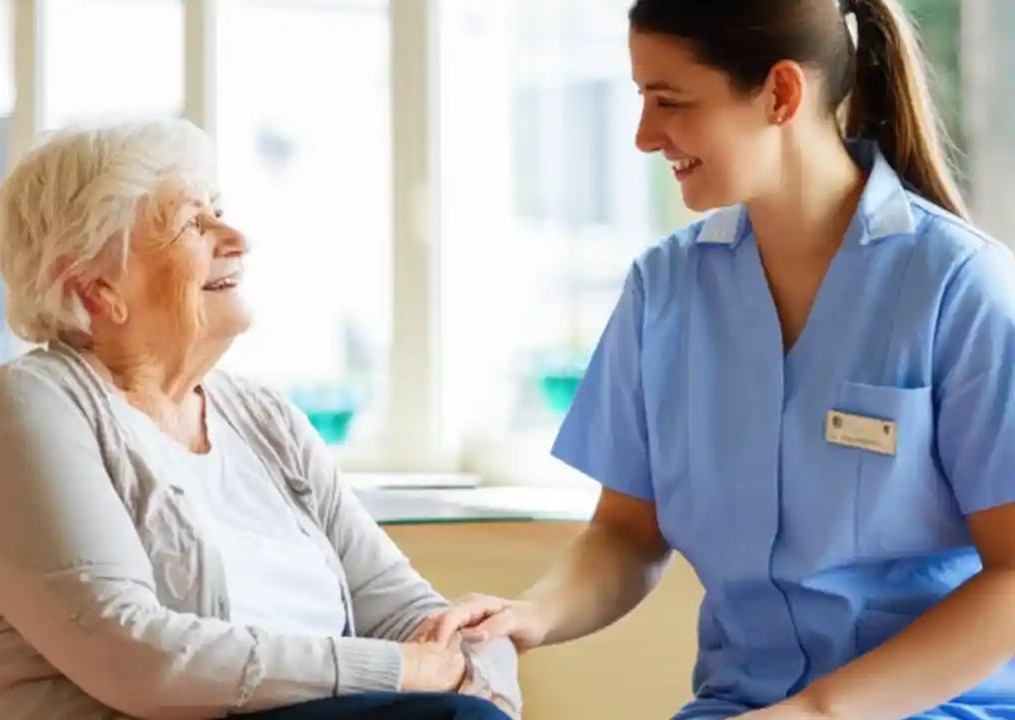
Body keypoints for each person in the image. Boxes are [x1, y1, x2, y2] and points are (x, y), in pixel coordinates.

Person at [421, 0, 1015, 718]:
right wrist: (534, 615)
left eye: (669, 101)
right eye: (642, 99)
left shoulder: (959, 288)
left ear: (781, 94)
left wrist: (814, 712)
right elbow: (628, 531)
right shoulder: (663, 289)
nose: (643, 137)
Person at [0, 119, 520, 720]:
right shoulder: (29, 405)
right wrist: (401, 669)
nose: (236, 237)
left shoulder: (265, 419)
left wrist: (472, 662)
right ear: (95, 287)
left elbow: (409, 611)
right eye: (193, 223)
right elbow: (136, 655)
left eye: (218, 210)